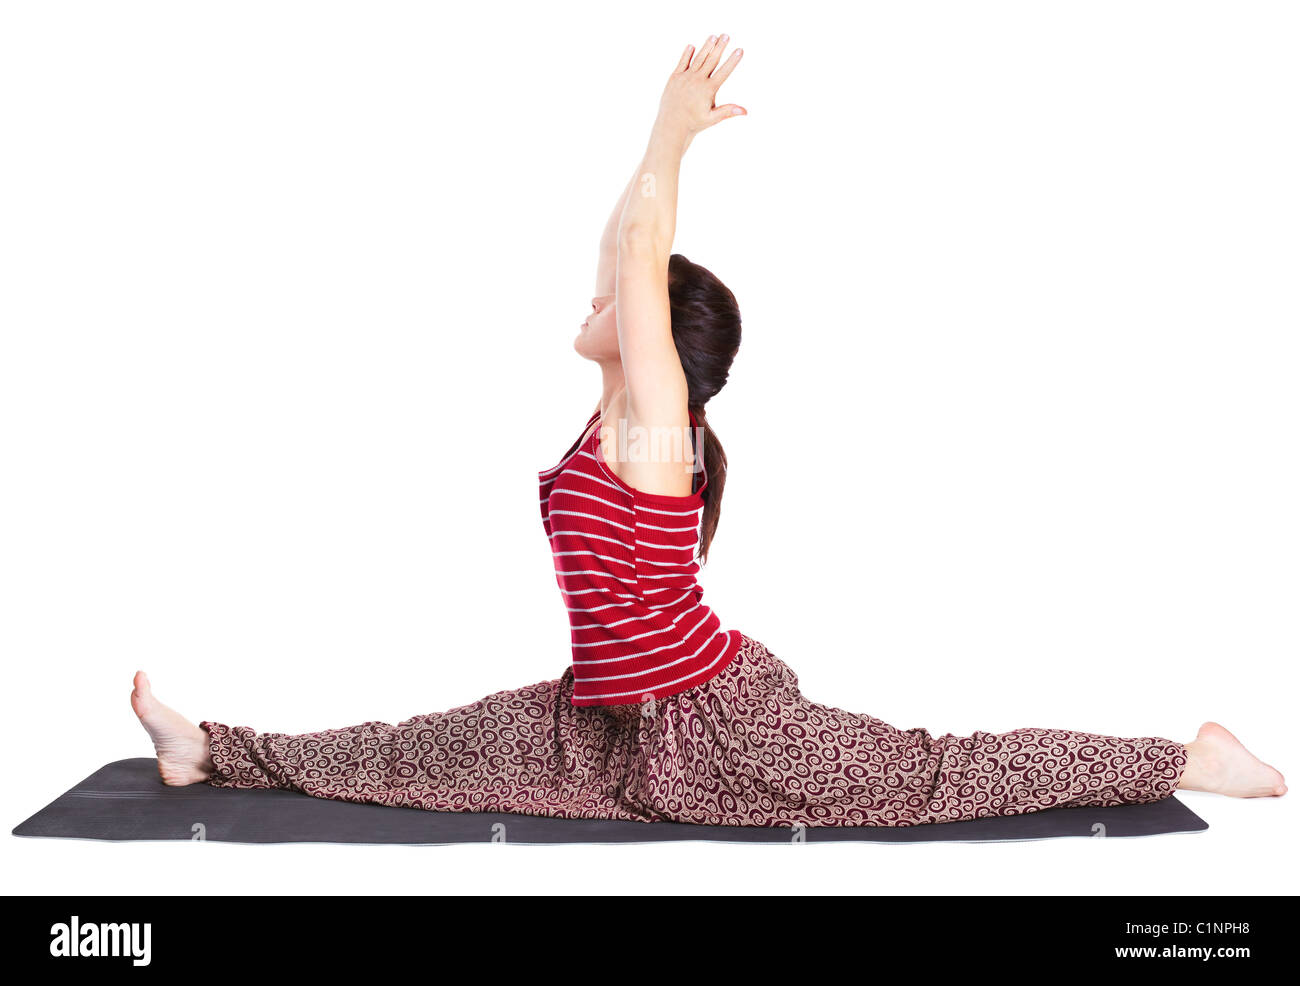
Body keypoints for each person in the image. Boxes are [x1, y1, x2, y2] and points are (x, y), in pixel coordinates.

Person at [130, 34, 1285, 827]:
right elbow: (618, 252)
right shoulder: (612, 415)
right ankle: (211, 746)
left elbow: (636, 258)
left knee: (935, 772)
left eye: (615, 305)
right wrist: (644, 167)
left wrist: (669, 136)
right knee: (411, 749)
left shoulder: (656, 423)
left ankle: (1186, 757)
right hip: (598, 720)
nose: (590, 300)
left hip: (716, 722)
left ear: (655, 346)